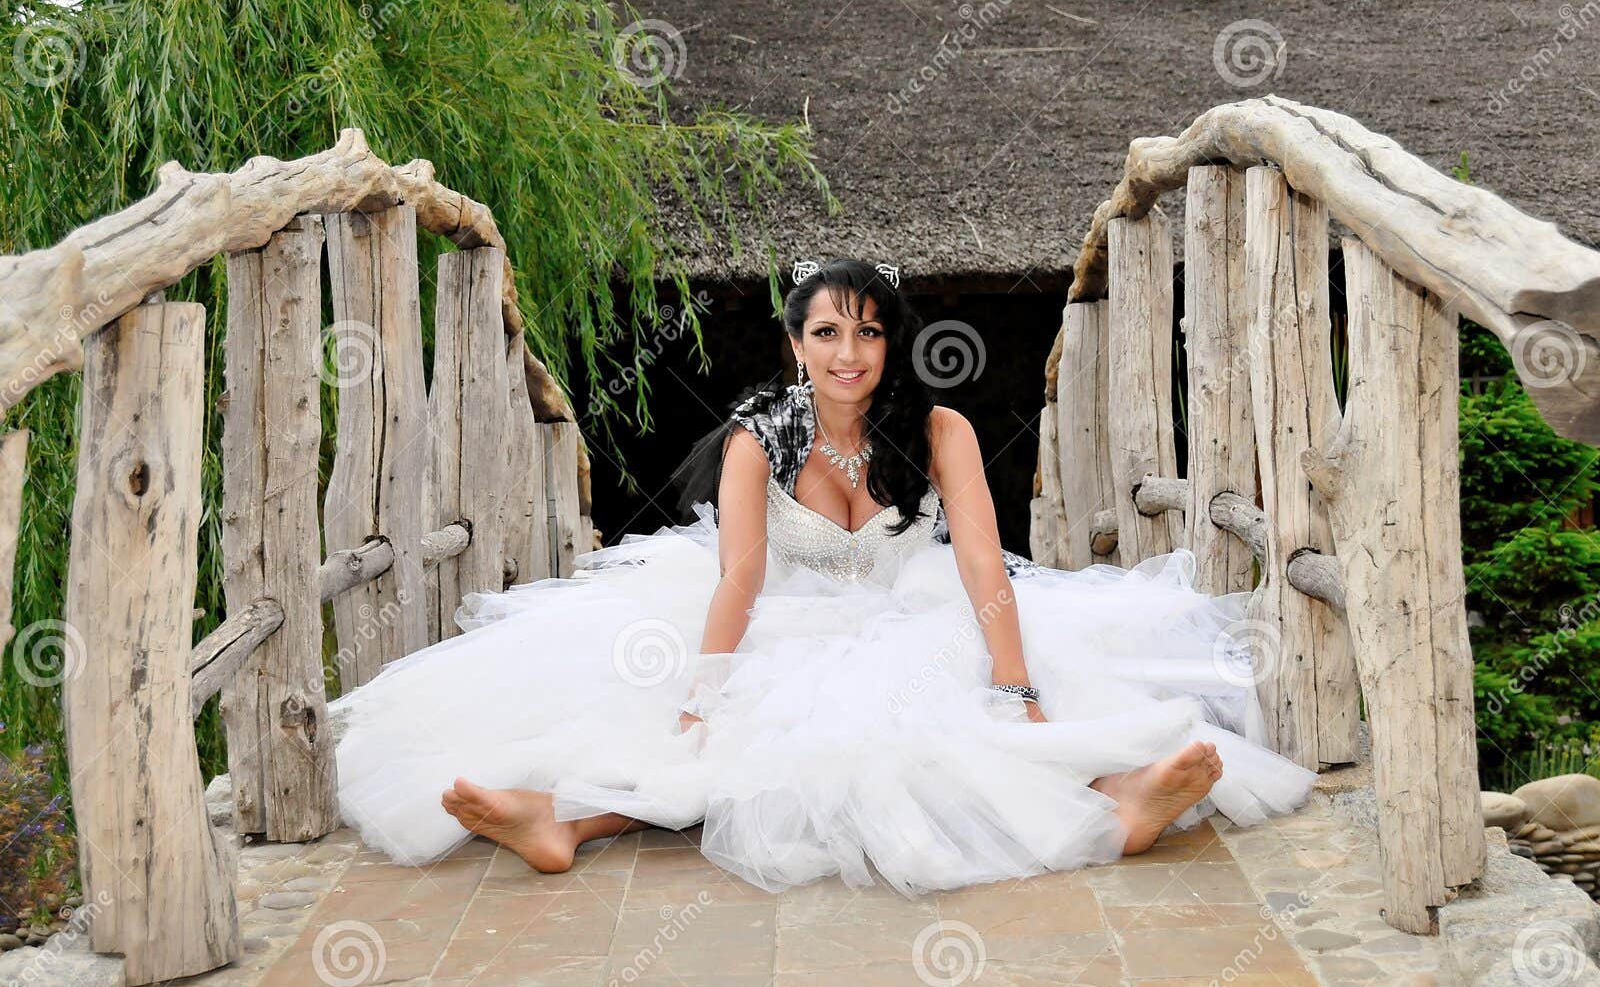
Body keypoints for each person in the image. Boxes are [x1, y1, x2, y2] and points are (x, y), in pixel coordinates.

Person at [329, 257, 1316, 895]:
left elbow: (981, 565)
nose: (849, 353)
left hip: (917, 611)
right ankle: (561, 821)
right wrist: (701, 693)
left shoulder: (942, 430)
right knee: (745, 728)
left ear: (892, 341)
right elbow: (740, 582)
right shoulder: (757, 440)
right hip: (786, 621)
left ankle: (1123, 795)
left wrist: (1017, 683)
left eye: (870, 331)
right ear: (797, 345)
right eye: (828, 333)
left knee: (963, 702)